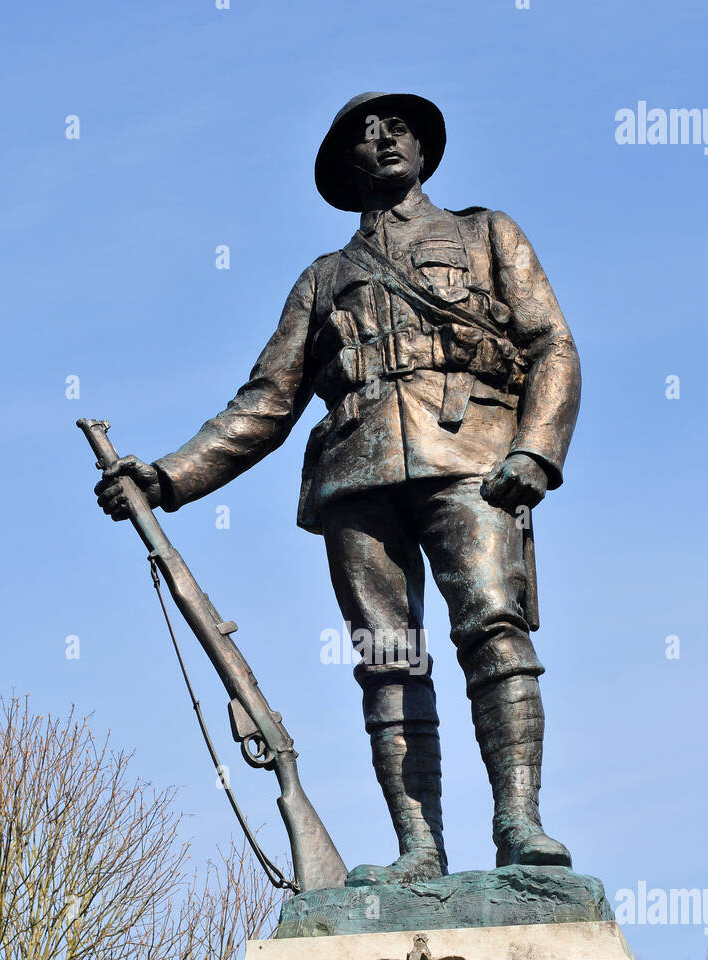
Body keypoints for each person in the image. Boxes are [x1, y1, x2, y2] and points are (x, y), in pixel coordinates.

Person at [96, 91, 581, 886]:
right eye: (364, 133)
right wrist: (168, 476)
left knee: (494, 633)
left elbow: (551, 345)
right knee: (388, 660)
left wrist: (537, 448)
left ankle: (518, 824)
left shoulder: (487, 232)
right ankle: (419, 851)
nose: (383, 139)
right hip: (356, 476)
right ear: (341, 168)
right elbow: (266, 403)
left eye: (399, 129)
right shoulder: (323, 280)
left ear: (424, 150)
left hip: (472, 461)